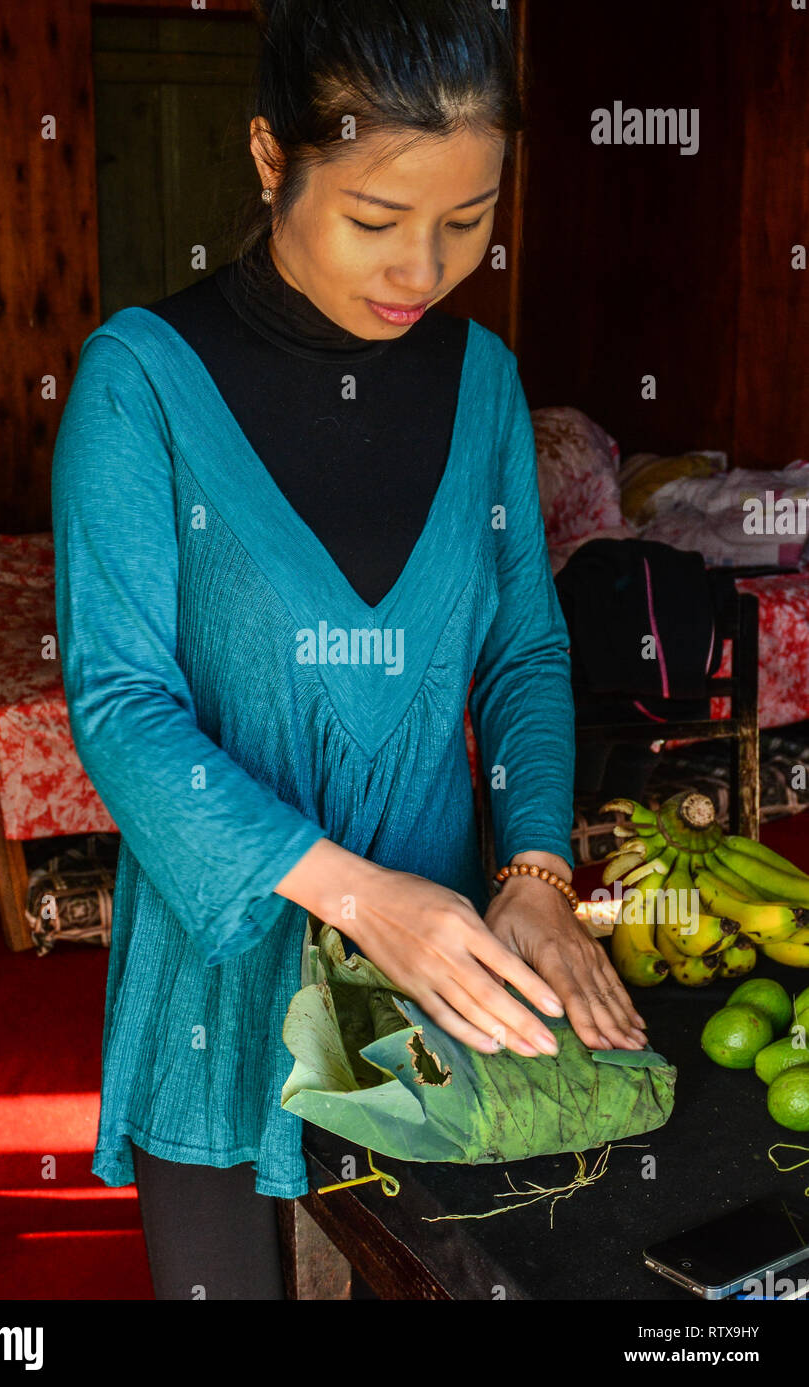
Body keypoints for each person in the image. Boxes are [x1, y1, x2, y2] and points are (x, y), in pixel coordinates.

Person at [51, 0, 647, 1302]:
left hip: (434, 992)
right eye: (375, 218)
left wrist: (537, 868)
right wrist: (364, 897)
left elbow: (520, 652)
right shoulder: (139, 382)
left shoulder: (481, 379)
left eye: (465, 217)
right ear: (271, 159)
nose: (420, 269)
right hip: (221, 998)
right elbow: (121, 704)